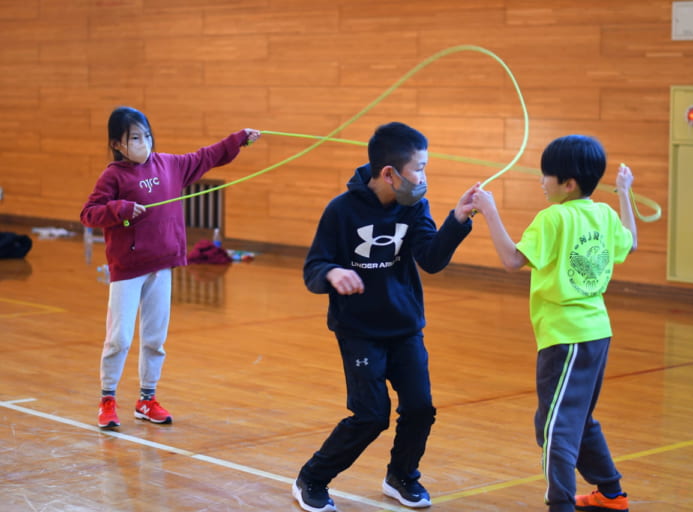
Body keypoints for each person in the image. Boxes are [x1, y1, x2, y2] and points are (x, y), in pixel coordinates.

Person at [293, 122, 479, 512]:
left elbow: (430, 259)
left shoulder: (414, 207)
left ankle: (402, 476)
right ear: (389, 173)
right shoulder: (341, 211)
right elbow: (314, 267)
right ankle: (312, 478)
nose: (424, 178)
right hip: (358, 331)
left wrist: (457, 220)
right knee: (371, 415)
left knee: (420, 408)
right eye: (419, 168)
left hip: (404, 327)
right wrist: (332, 272)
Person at [471, 135, 637, 512]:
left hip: (566, 340)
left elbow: (513, 260)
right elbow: (632, 243)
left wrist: (489, 211)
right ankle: (611, 494)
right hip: (596, 335)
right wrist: (624, 193)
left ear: (568, 183)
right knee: (571, 419)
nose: (541, 181)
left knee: (554, 428)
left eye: (547, 175)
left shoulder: (554, 217)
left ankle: (560, 504)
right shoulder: (605, 214)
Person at [80, 106, 261, 429]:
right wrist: (119, 209)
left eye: (146, 135)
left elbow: (208, 156)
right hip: (128, 270)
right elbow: (89, 213)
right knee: (119, 338)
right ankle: (107, 399)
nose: (143, 142)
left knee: (155, 338)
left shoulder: (170, 165)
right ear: (117, 144)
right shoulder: (113, 176)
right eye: (134, 138)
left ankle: (146, 399)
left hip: (161, 267)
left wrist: (239, 139)